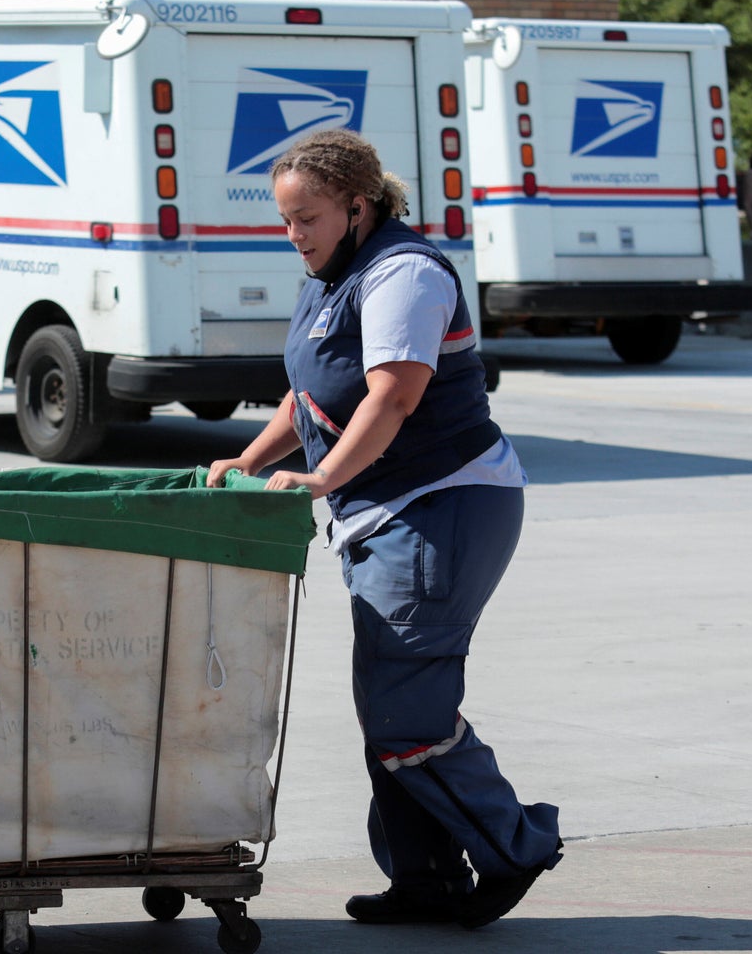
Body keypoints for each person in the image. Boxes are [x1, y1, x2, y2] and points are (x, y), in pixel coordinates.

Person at [205, 129, 562, 929]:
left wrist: (323, 478)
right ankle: (424, 880)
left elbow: (394, 395)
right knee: (389, 702)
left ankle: (515, 846)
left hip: (442, 504)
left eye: (307, 219)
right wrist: (250, 459)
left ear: (358, 207)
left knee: (407, 708)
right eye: (286, 220)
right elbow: (311, 394)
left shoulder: (404, 273)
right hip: (387, 512)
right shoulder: (333, 276)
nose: (294, 235)